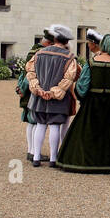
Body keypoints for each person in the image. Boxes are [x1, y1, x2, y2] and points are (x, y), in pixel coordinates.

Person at [56, 33, 110, 172]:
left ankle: (87, 162)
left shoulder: (91, 63)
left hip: (92, 104)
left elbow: (82, 86)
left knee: (87, 133)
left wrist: (83, 99)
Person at [26, 24, 79, 167]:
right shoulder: (70, 57)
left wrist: (38, 89)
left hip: (39, 97)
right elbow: (70, 78)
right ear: (67, 41)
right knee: (55, 126)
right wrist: (54, 92)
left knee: (40, 125)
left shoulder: (39, 53)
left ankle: (36, 157)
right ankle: (53, 159)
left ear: (54, 38)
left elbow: (30, 72)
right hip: (58, 99)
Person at [17, 30, 52, 161]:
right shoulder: (40, 53)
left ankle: (30, 150)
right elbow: (30, 73)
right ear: (48, 42)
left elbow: (24, 72)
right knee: (36, 121)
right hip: (34, 88)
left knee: (31, 122)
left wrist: (21, 87)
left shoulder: (32, 50)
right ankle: (33, 152)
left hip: (28, 88)